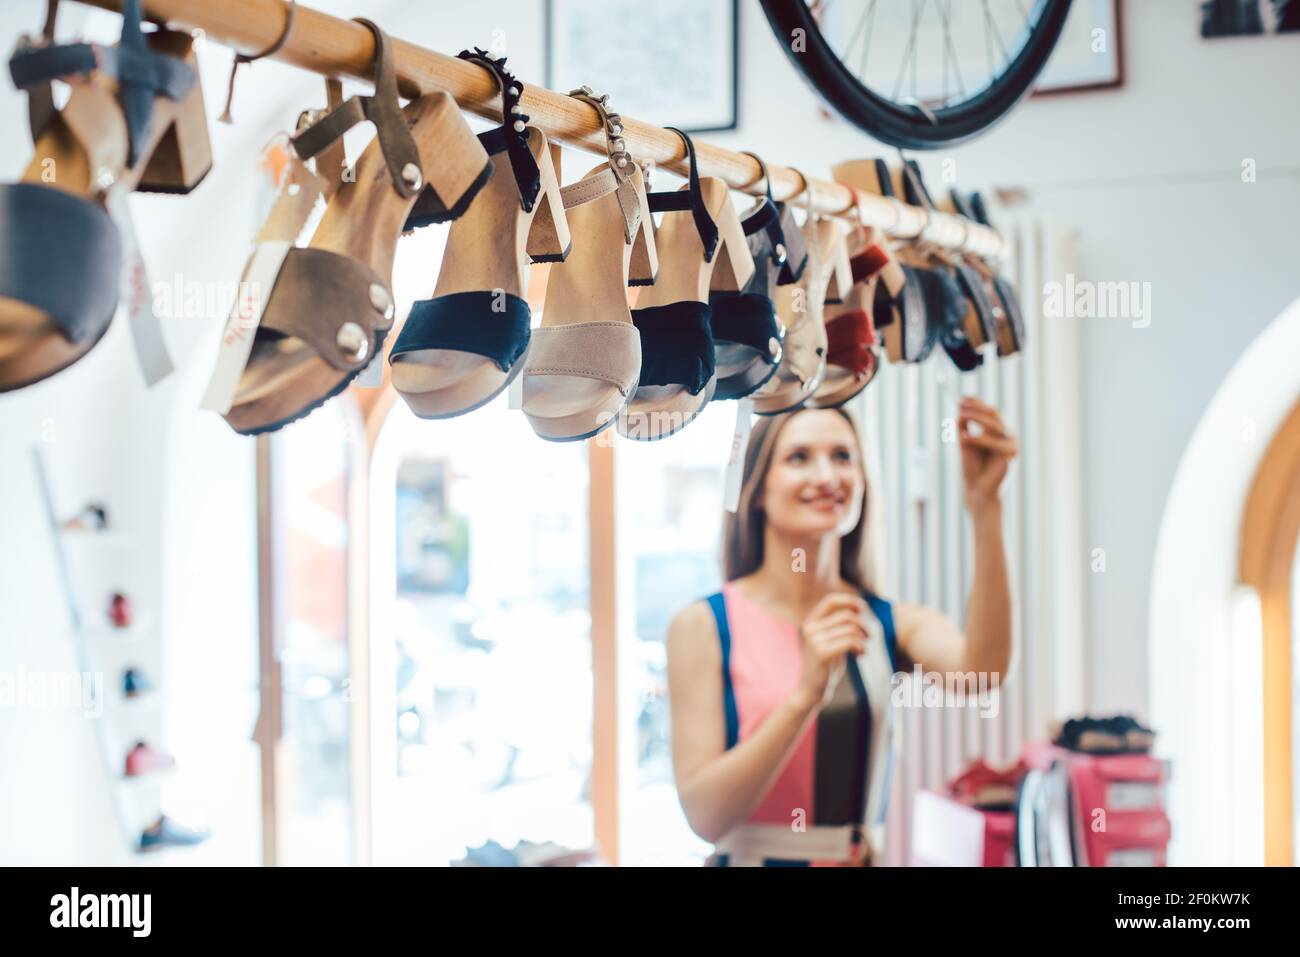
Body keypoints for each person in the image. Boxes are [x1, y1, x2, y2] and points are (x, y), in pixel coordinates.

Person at [666, 399, 1017, 865]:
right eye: (799, 457)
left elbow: (982, 672)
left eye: (843, 456)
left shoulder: (887, 623)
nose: (827, 476)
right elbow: (705, 817)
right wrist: (806, 695)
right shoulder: (704, 626)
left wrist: (985, 505)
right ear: (757, 489)